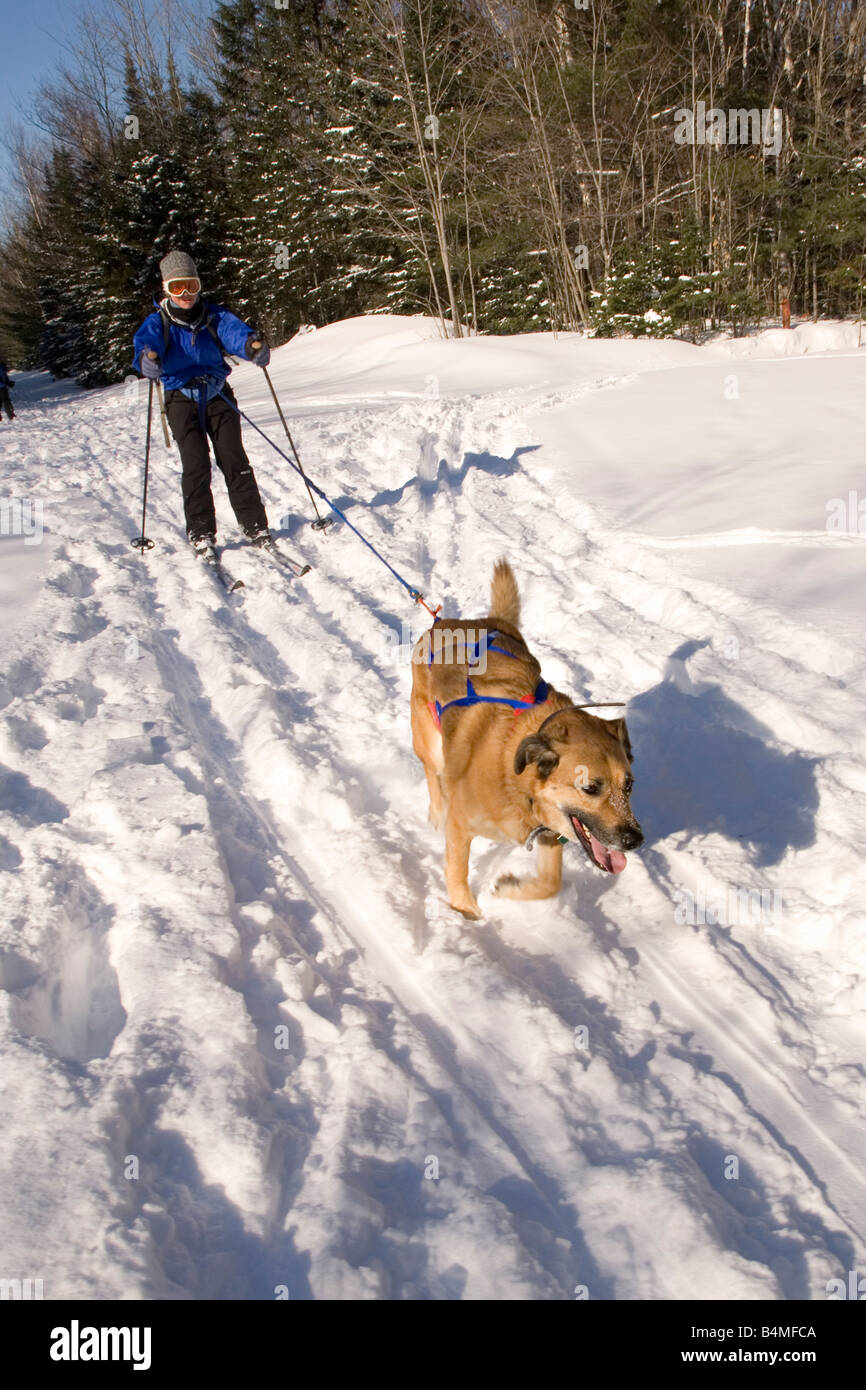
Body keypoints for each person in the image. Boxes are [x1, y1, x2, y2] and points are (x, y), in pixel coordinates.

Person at [132, 251, 272, 552]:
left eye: (191, 286)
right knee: (196, 465)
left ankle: (255, 525)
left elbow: (235, 333)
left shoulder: (214, 316)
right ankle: (201, 531)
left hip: (217, 393)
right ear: (167, 289)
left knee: (234, 460)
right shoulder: (158, 322)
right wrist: (148, 359)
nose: (186, 295)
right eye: (178, 287)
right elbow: (146, 345)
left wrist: (252, 346)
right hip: (180, 398)